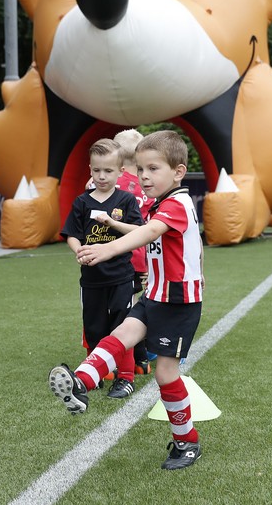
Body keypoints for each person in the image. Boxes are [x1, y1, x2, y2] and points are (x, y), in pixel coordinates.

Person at [49, 130, 204, 470]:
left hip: (179, 303)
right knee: (120, 336)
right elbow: (152, 235)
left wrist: (105, 248)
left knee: (165, 374)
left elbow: (147, 233)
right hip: (156, 295)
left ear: (177, 172)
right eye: (140, 169)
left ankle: (187, 443)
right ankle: (80, 382)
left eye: (152, 169)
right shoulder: (160, 203)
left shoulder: (178, 203)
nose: (143, 176)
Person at [60, 138, 143, 399]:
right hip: (92, 279)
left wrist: (112, 223)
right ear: (90, 169)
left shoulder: (127, 200)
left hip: (122, 277)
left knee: (122, 326)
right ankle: (93, 375)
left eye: (108, 171)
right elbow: (71, 234)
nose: (101, 176)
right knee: (94, 326)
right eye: (96, 170)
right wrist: (79, 250)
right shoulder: (82, 202)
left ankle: (126, 377)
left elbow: (140, 231)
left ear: (121, 172)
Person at [112, 129, 156, 376]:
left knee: (121, 311)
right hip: (142, 261)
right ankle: (142, 359)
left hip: (116, 260)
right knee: (134, 308)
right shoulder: (146, 187)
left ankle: (131, 358)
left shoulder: (109, 185)